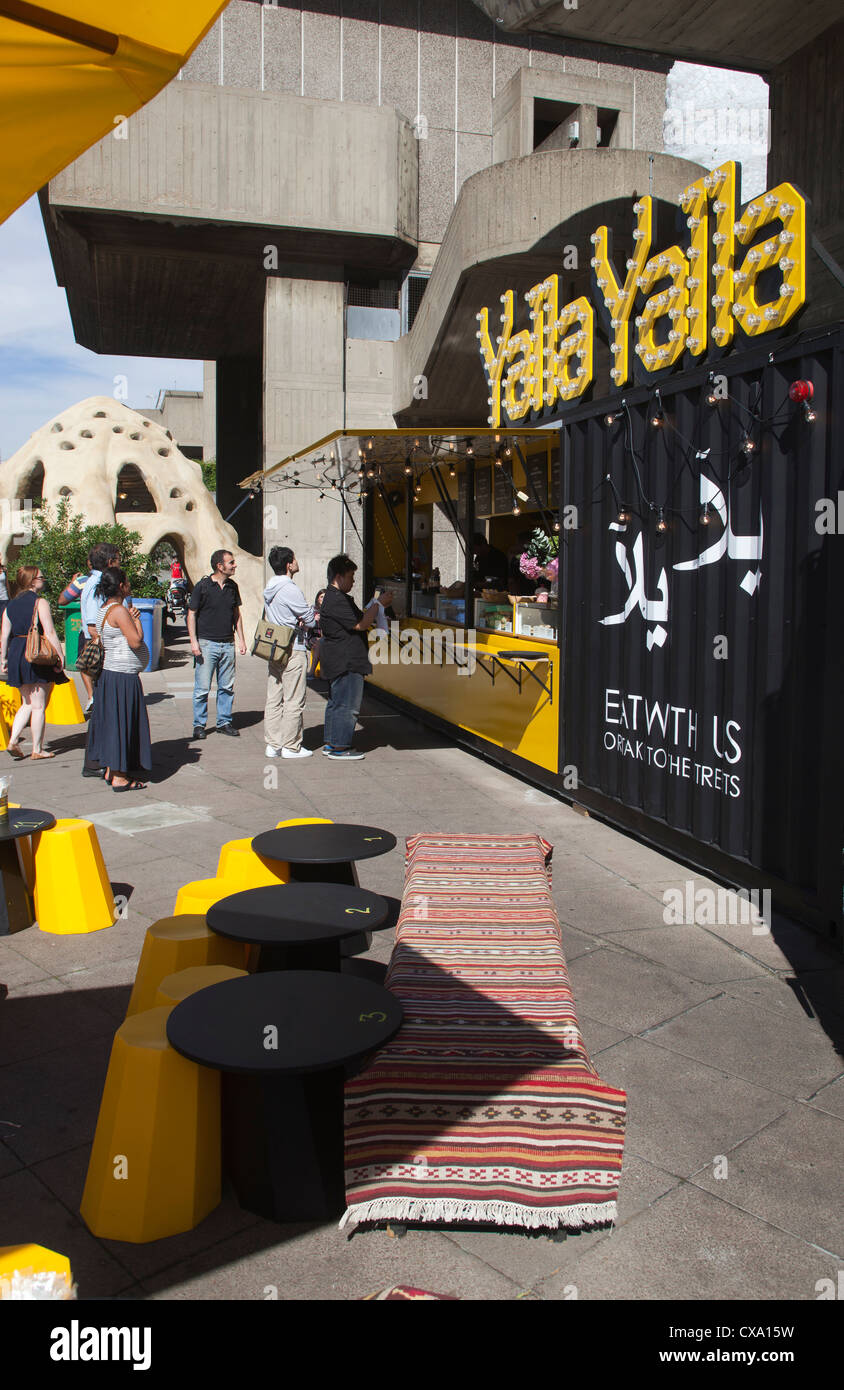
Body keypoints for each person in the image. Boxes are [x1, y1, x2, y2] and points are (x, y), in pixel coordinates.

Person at [319, 555, 391, 761]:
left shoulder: (337, 598)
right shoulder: (335, 599)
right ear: (339, 576)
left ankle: (333, 743)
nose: (353, 581)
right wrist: (378, 605)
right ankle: (340, 746)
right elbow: (360, 625)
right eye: (351, 576)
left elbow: (359, 619)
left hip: (341, 658)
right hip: (346, 660)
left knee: (336, 703)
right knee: (347, 705)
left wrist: (373, 608)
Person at [86, 568, 151, 791]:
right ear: (121, 585)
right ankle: (120, 777)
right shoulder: (119, 611)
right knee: (122, 723)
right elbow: (136, 641)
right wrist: (137, 621)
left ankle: (111, 769)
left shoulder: (103, 609)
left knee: (113, 723)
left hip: (109, 673)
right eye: (127, 580)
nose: (129, 583)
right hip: (121, 675)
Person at [0, 564, 68, 760]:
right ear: (31, 580)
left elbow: (4, 635)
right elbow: (50, 632)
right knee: (38, 705)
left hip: (17, 652)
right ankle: (37, 749)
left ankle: (13, 740)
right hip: (35, 653)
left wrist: (3, 659)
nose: (43, 580)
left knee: (27, 701)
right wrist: (59, 655)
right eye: (41, 577)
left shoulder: (10, 606)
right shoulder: (40, 603)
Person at [262, 546, 316, 760]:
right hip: (294, 646)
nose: (297, 561)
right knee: (294, 698)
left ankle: (273, 744)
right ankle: (291, 745)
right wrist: (307, 617)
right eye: (295, 558)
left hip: (275, 646)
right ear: (289, 564)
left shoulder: (270, 587)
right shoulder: (290, 588)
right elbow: (310, 619)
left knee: (274, 697)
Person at [187, 549, 247, 738]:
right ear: (220, 566)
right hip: (206, 645)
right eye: (231, 562)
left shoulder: (232, 587)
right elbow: (191, 614)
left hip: (227, 644)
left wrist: (241, 640)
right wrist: (193, 642)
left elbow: (236, 615)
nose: (235, 565)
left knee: (227, 687)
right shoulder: (202, 586)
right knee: (202, 688)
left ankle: (224, 722)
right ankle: (199, 725)